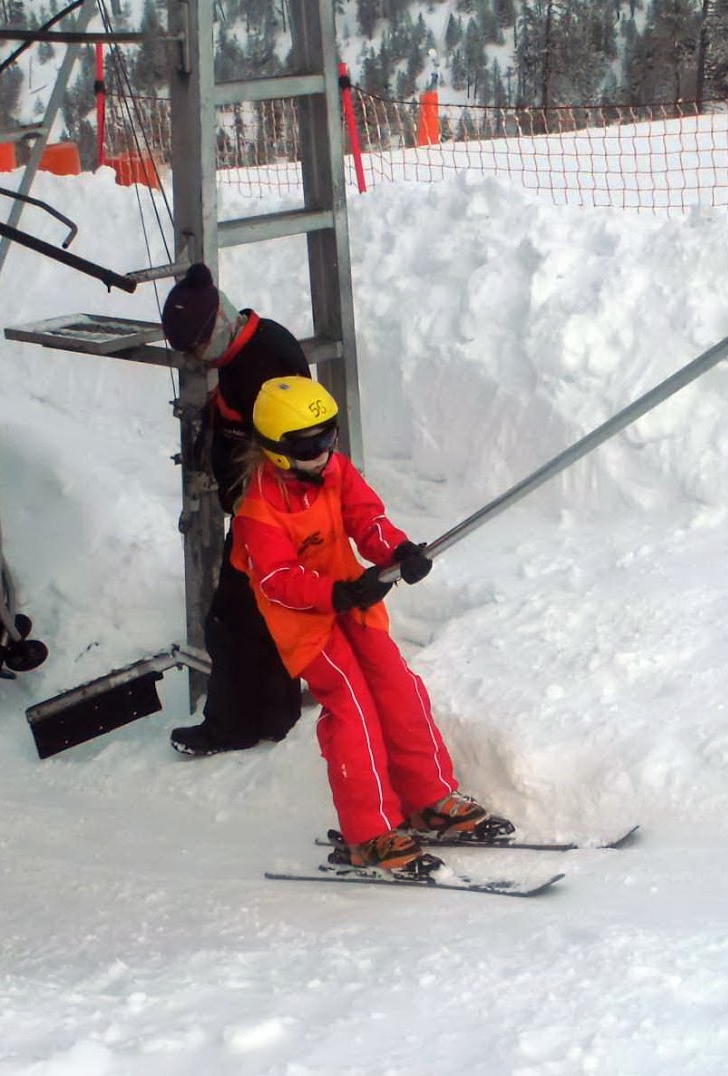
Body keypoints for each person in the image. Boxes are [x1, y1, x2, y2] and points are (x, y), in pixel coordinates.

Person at [231, 375, 514, 876]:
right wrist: (336, 592)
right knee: (353, 708)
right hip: (305, 625)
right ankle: (369, 833)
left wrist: (397, 550)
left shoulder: (334, 470)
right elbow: (278, 581)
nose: (322, 452)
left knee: (399, 688)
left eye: (328, 437)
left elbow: (366, 516)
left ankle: (429, 798)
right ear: (275, 449)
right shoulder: (258, 510)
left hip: (351, 601)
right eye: (308, 445)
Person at [158, 262, 307, 756]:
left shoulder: (266, 362)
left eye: (197, 349)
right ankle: (273, 716)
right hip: (256, 509)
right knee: (259, 619)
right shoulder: (251, 348)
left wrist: (251, 511)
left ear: (215, 328)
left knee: (230, 621)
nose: (199, 361)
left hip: (266, 515)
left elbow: (285, 449)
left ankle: (230, 726)